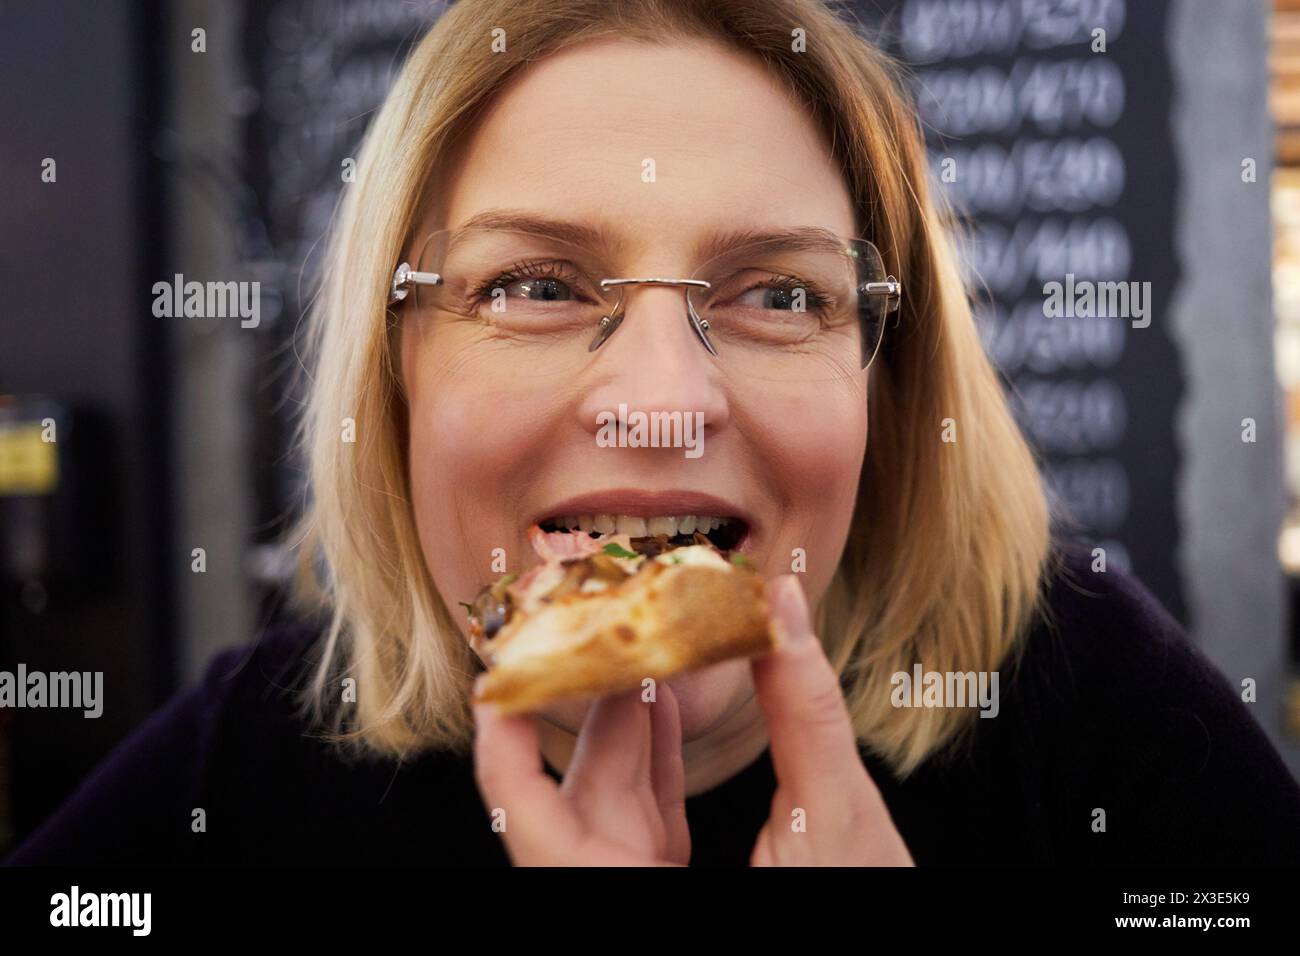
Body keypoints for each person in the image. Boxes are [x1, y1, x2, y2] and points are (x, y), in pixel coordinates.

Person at [7, 0, 1300, 867]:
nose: (663, 402)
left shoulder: (1108, 719)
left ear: (886, 382)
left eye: (779, 294)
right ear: (397, 374)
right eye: (538, 285)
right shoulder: (246, 775)